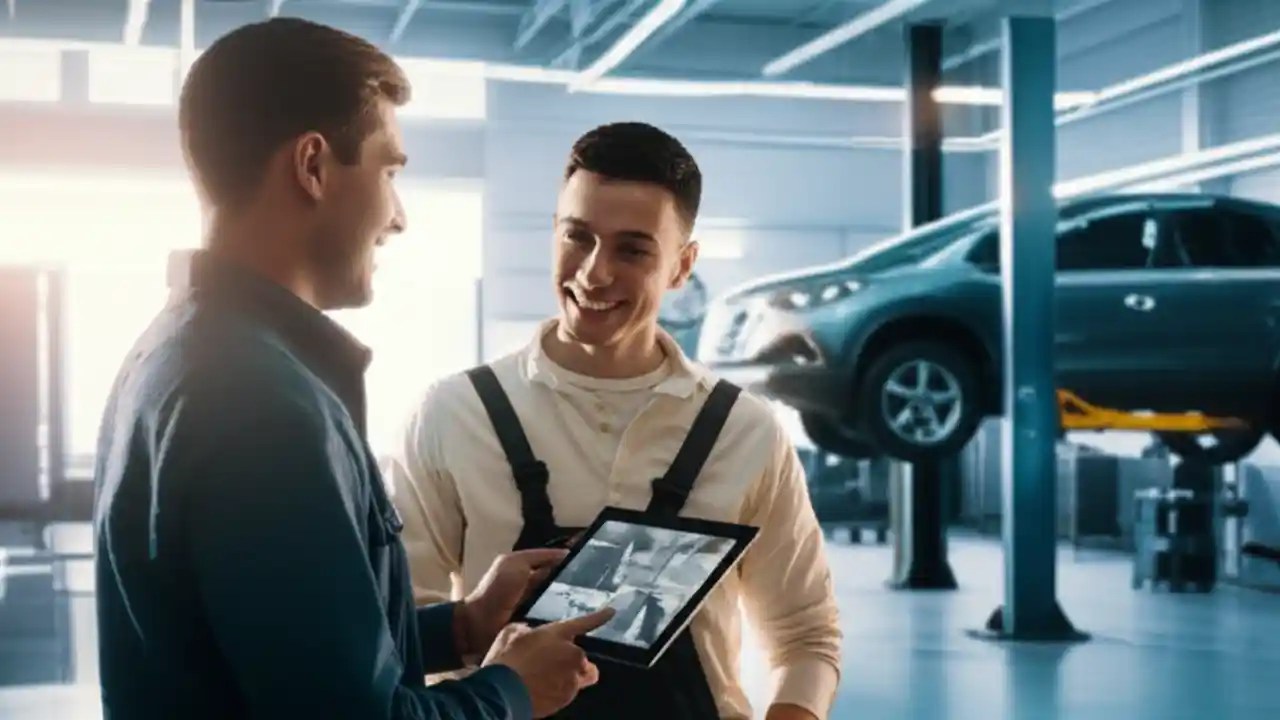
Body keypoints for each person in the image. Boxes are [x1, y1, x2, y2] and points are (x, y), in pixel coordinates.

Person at [91, 18, 611, 720]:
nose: (397, 216)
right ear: (312, 166)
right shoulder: (262, 405)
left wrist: (463, 625)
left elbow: (286, 654)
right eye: (389, 170)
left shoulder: (175, 352)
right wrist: (513, 690)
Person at [385, 122, 842, 720]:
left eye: (633, 249)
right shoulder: (453, 414)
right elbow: (397, 637)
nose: (595, 273)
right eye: (577, 237)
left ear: (682, 265)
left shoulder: (743, 431)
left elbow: (805, 636)